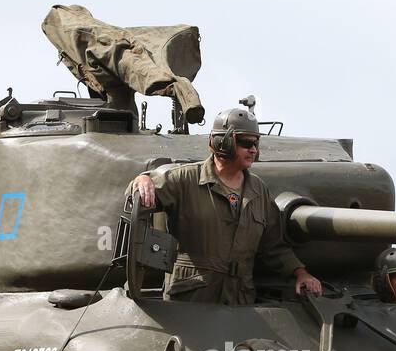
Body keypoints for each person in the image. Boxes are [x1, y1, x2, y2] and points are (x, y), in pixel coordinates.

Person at [128, 106, 322, 304]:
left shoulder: (258, 190)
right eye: (246, 143)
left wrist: (300, 273)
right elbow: (136, 199)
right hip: (191, 298)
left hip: (238, 299)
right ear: (223, 142)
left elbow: (273, 245)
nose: (253, 149)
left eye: (256, 143)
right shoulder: (186, 179)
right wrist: (141, 181)